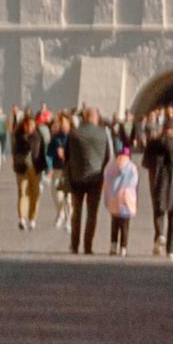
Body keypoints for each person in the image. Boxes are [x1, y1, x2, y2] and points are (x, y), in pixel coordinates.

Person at [64, 106, 111, 254]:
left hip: (76, 178)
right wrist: (100, 169)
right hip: (95, 179)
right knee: (92, 214)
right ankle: (88, 246)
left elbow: (67, 155)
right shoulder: (102, 134)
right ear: (95, 118)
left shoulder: (74, 134)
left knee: (76, 212)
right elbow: (107, 156)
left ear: (85, 117)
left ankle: (74, 244)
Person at [142, 116, 173, 257]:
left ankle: (160, 234)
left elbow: (145, 163)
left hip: (157, 180)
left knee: (158, 211)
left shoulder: (153, 143)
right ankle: (172, 249)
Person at [101, 141, 140, 256]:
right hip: (126, 198)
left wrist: (107, 196)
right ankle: (123, 247)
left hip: (114, 197)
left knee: (114, 223)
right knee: (125, 224)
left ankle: (113, 245)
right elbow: (134, 182)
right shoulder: (132, 167)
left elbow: (107, 181)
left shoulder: (112, 166)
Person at [10, 109, 46, 229]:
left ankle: (32, 218)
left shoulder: (39, 136)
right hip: (22, 168)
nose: (29, 126)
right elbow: (14, 152)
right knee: (23, 192)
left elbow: (43, 153)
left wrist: (45, 168)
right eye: (27, 124)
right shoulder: (17, 136)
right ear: (23, 125)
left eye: (32, 124)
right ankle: (22, 219)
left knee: (35, 194)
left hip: (36, 168)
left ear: (35, 125)